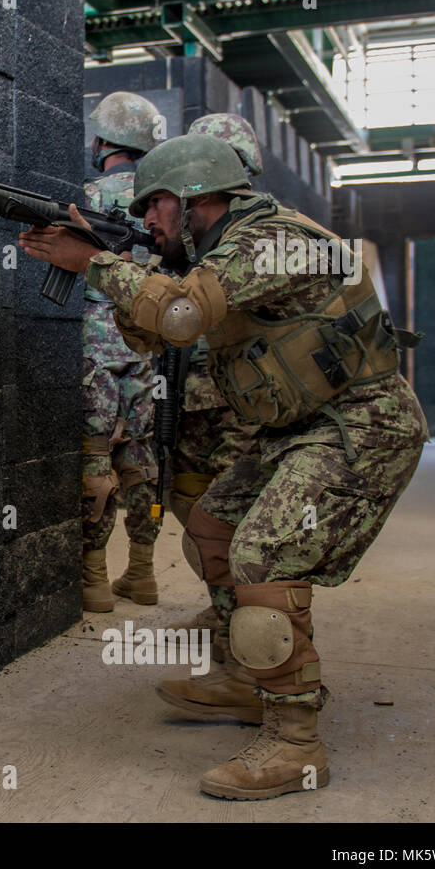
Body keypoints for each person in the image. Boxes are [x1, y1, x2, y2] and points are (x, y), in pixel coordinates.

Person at [20, 134, 427, 799]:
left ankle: (296, 742)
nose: (148, 220)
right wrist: (121, 265)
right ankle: (246, 676)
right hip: (298, 427)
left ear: (196, 196)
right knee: (211, 527)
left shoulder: (269, 241)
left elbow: (179, 315)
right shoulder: (220, 252)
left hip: (363, 426)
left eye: (154, 205)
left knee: (264, 555)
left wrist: (96, 263)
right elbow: (157, 326)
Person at [155, 114, 265, 724]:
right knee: (198, 512)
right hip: (193, 394)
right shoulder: (199, 239)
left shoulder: (255, 237)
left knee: (242, 526)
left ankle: (245, 658)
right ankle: (224, 615)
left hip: (240, 407)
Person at [78, 92, 165, 611]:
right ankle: (143, 573)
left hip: (94, 346)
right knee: (140, 459)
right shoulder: (162, 201)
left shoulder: (88, 196)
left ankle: (93, 578)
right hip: (143, 345)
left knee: (94, 460)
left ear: (106, 139)